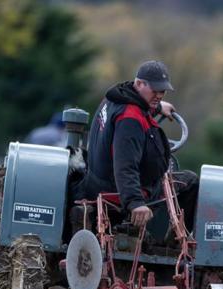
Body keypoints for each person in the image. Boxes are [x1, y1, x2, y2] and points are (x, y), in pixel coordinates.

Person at [81, 60, 197, 229]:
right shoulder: (130, 119)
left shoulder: (114, 98)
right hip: (118, 190)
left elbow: (135, 104)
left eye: (162, 91)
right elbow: (125, 164)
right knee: (190, 182)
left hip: (96, 181)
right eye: (155, 90)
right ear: (139, 83)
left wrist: (156, 107)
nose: (159, 95)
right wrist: (135, 202)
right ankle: (173, 244)